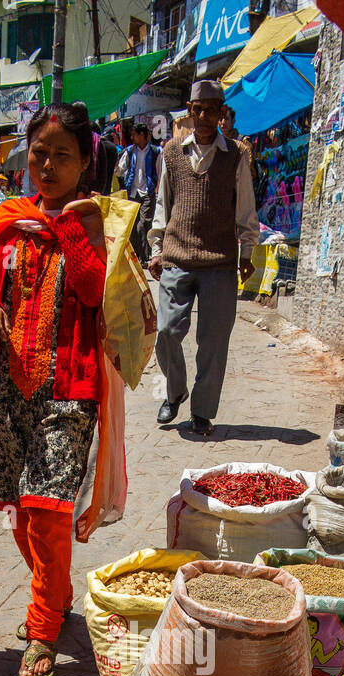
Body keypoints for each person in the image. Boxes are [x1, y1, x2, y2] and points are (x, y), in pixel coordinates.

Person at [0, 103, 107, 676]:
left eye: (61, 156)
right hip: (8, 390)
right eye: (39, 153)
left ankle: (43, 629)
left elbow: (95, 292)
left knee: (48, 511)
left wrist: (68, 224)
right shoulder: (7, 218)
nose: (46, 165)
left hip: (68, 392)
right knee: (21, 513)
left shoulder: (95, 220)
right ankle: (59, 591)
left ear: (84, 162)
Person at [147, 80, 259, 437]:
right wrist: (156, 248)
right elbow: (163, 204)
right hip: (178, 257)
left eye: (214, 109)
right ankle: (175, 390)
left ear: (222, 112)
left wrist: (247, 252)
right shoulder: (172, 152)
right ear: (190, 110)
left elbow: (245, 208)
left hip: (221, 262)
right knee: (166, 332)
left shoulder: (237, 155)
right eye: (200, 108)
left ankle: (202, 411)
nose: (207, 115)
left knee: (213, 341)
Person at [117, 123, 159, 264]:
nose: (132, 137)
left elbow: (160, 171)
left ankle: (145, 256)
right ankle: (136, 257)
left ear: (141, 135)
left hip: (148, 191)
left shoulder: (155, 151)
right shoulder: (130, 151)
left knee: (143, 224)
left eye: (134, 134)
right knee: (134, 225)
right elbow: (120, 170)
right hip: (133, 192)